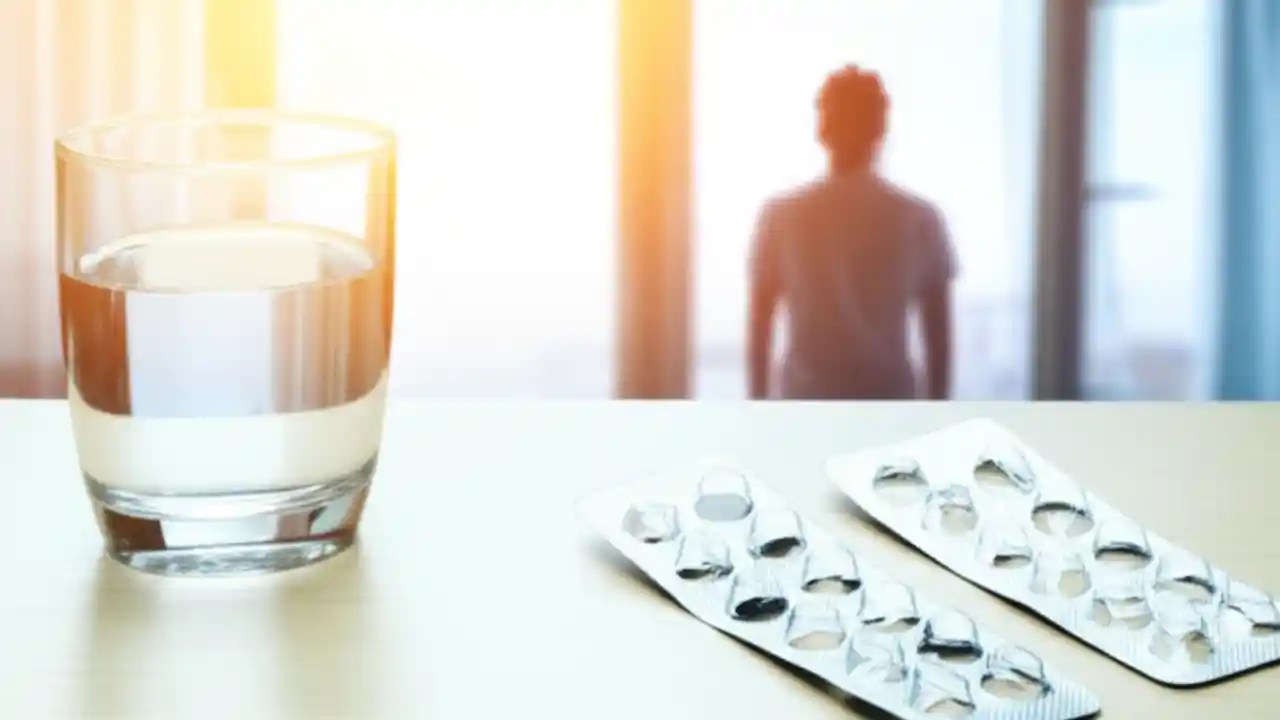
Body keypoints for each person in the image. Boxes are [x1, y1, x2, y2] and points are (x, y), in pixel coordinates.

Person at [748, 65, 956, 400]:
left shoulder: (781, 218)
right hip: (889, 402)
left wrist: (756, 415)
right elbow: (939, 344)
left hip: (806, 402)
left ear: (822, 128)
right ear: (881, 128)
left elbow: (759, 335)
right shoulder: (919, 220)